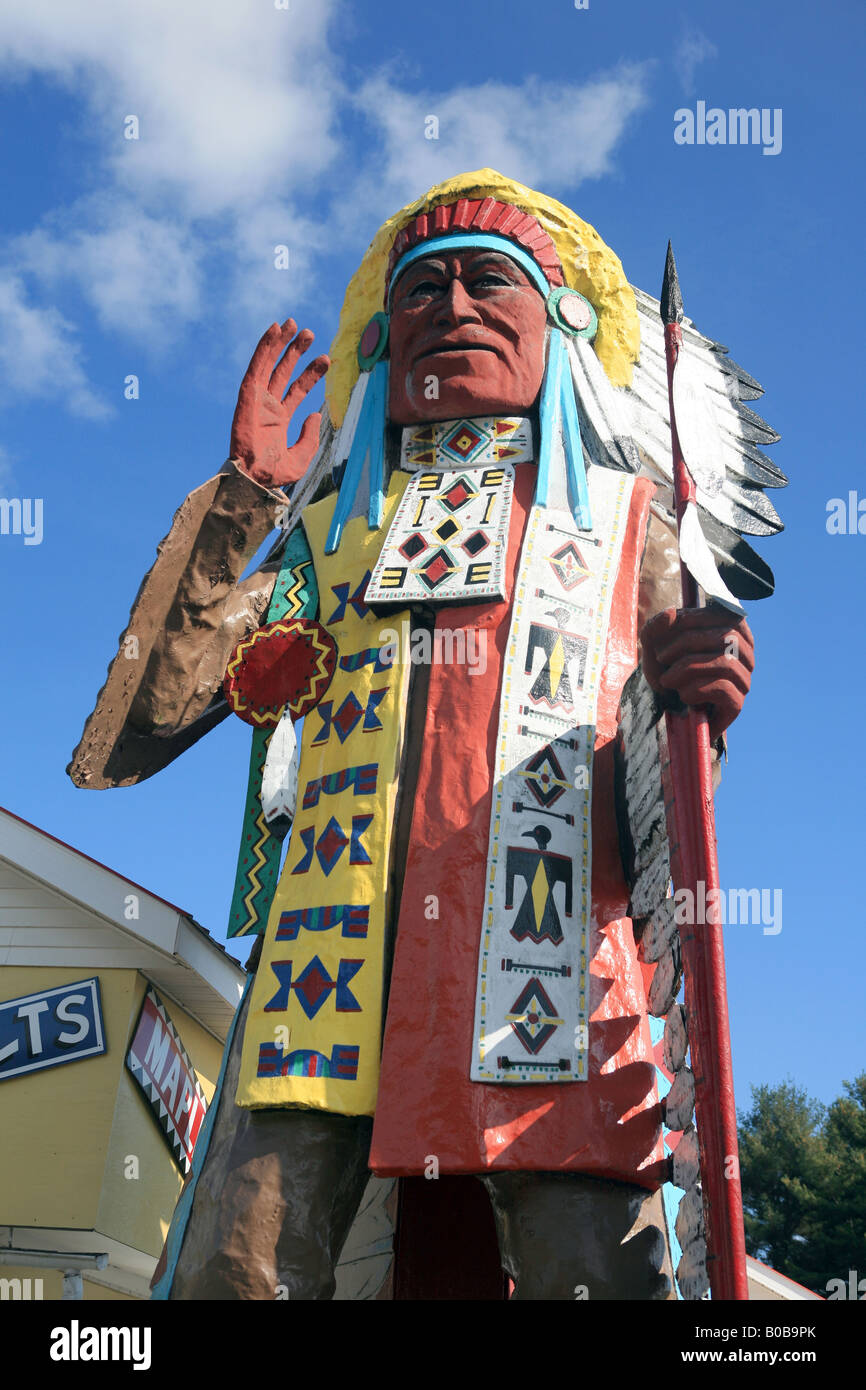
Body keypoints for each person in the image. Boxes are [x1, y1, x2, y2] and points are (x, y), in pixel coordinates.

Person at [70, 170, 760, 1300]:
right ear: (383, 346)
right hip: (318, 976)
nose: (449, 308)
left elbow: (657, 797)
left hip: (554, 974)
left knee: (591, 1274)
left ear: (561, 328)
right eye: (420, 290)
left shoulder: (635, 525)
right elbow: (141, 728)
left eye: (489, 281)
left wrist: (698, 701)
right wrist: (245, 498)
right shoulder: (331, 538)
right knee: (238, 1270)